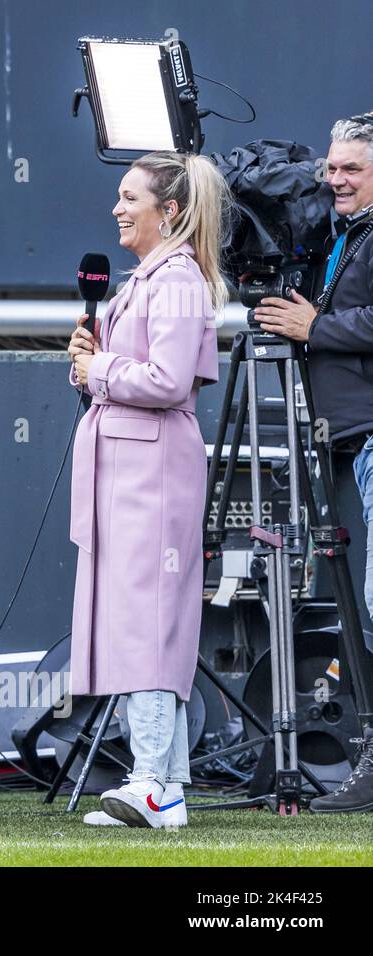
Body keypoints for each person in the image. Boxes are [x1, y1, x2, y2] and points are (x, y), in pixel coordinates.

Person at [67, 151, 227, 829]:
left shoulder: (180, 279)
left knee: (149, 619)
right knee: (139, 616)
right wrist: (92, 366)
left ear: (169, 212)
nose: (117, 209)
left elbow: (165, 382)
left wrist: (99, 367)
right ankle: (166, 784)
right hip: (130, 468)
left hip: (152, 469)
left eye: (130, 197)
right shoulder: (151, 279)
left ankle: (154, 782)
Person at [255, 112, 373, 812]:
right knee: (362, 605)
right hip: (352, 437)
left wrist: (315, 327)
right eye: (331, 168)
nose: (334, 180)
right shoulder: (348, 235)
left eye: (350, 168)